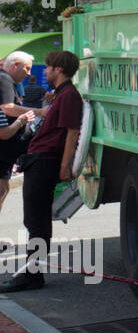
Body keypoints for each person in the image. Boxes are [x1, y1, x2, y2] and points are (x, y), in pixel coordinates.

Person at [0, 51, 83, 292]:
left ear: (58, 69)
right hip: (39, 159)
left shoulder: (68, 96)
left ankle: (33, 274)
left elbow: (72, 132)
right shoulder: (61, 95)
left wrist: (66, 165)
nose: (42, 72)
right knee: (33, 219)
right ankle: (32, 270)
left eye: (46, 68)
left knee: (37, 220)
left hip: (45, 161)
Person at [0, 51, 37, 212]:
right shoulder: (4, 79)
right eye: (27, 69)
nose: (29, 74)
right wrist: (33, 114)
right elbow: (7, 109)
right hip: (3, 152)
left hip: (5, 156)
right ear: (15, 65)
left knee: (3, 190)